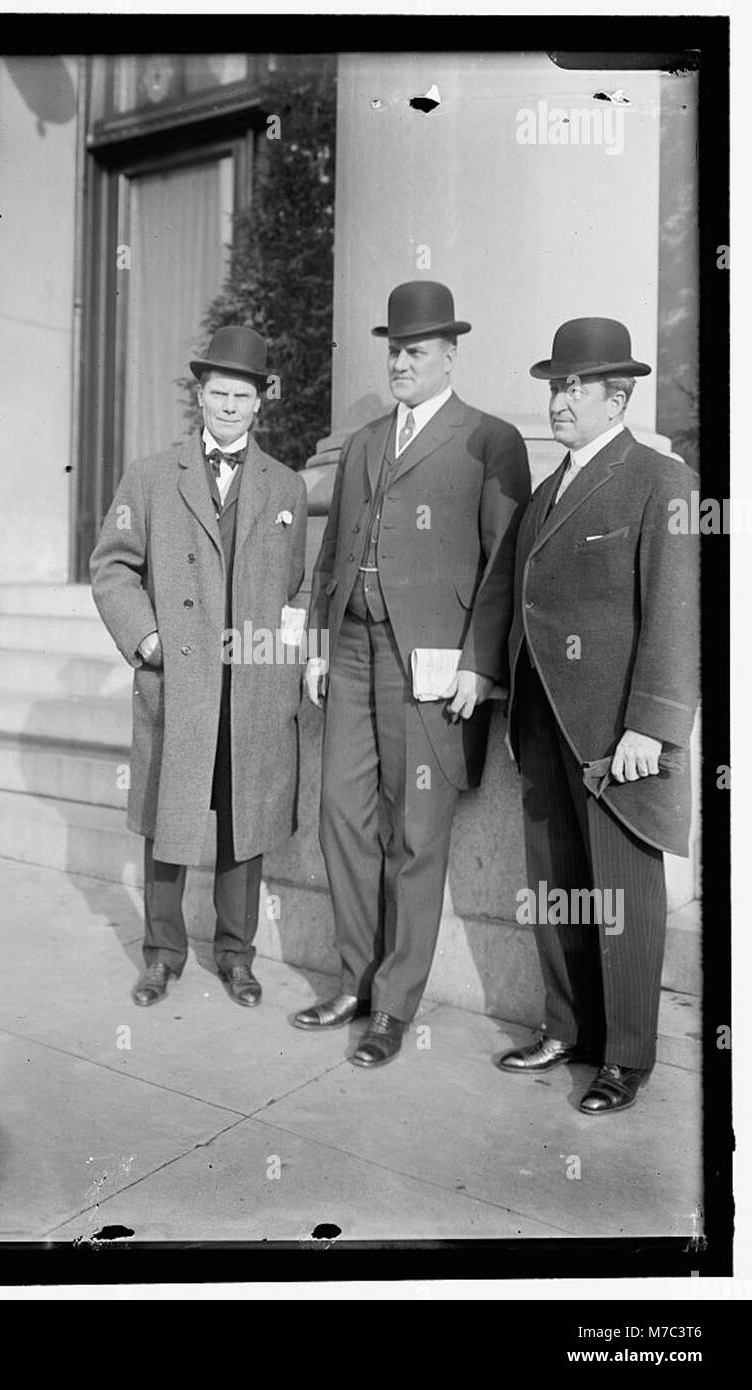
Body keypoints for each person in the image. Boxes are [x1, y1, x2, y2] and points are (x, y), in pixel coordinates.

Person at [294, 280, 531, 1067]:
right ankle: (355, 980)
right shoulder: (364, 442)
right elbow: (333, 551)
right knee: (338, 809)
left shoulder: (488, 440)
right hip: (353, 651)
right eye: (394, 350)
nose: (400, 362)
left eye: (415, 351)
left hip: (427, 665)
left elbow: (505, 560)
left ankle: (393, 1008)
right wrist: (318, 643)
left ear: (448, 357)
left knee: (417, 833)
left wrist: (480, 660)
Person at [499, 317, 699, 1114]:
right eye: (554, 384)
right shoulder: (546, 491)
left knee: (620, 890)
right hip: (541, 723)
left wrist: (650, 726)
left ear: (617, 396)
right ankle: (566, 1028)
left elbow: (675, 614)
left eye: (574, 386)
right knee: (557, 885)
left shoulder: (660, 479)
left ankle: (625, 1058)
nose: (558, 399)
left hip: (616, 732)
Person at [90, 326, 308, 1009]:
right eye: (219, 394)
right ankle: (161, 955)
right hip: (178, 682)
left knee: (246, 823)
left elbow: (298, 586)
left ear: (261, 401)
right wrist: (146, 639)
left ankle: (237, 958)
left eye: (242, 396)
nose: (230, 408)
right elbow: (111, 566)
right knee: (169, 818)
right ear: (200, 395)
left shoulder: (286, 487)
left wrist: (286, 659)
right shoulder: (152, 476)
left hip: (251, 685)